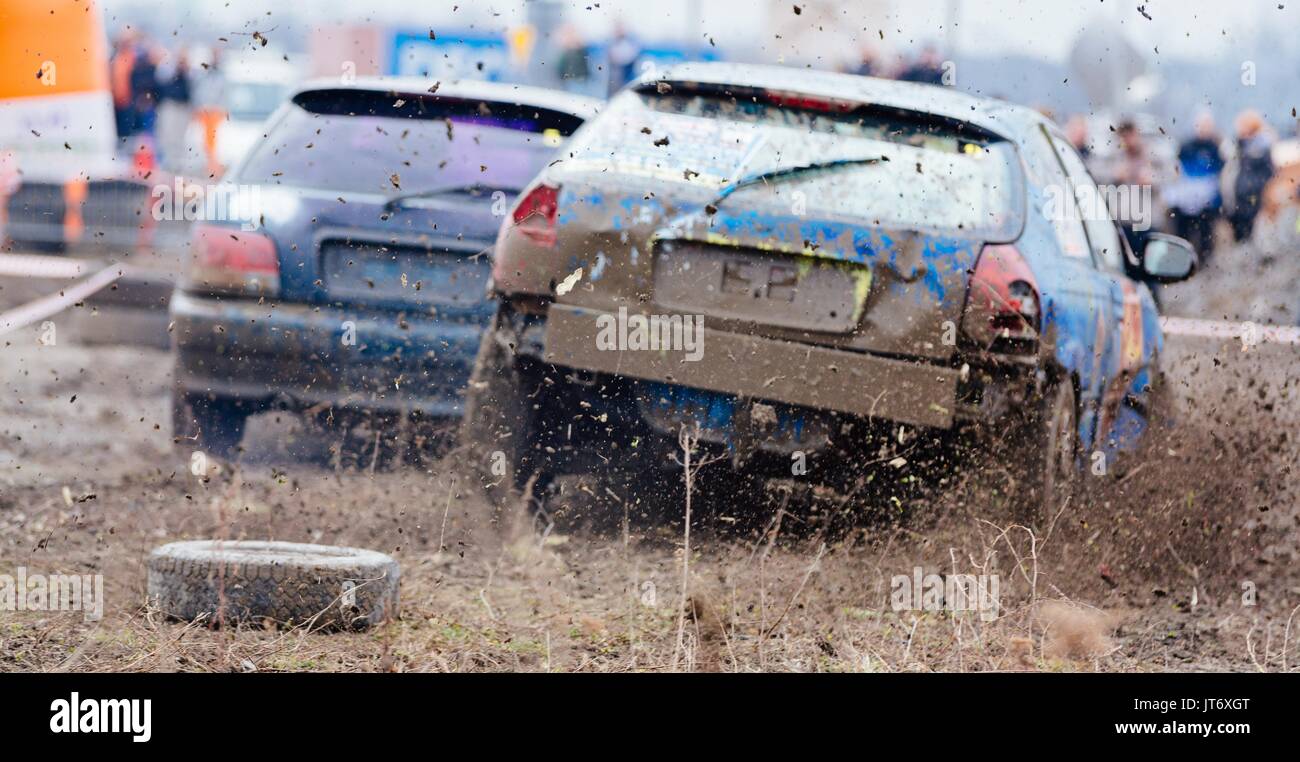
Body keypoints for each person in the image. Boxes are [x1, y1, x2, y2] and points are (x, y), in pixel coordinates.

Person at [1164, 111, 1224, 261]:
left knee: (1205, 236)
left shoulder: (1214, 148)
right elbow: (1177, 171)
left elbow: (1219, 173)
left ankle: (1204, 263)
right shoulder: (1187, 147)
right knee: (1184, 234)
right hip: (1185, 202)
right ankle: (1182, 260)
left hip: (1207, 204)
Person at [1227, 109, 1275, 242]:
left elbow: (1268, 175)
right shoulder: (1240, 148)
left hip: (1255, 201)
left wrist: (1251, 192)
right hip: (1239, 202)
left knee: (1254, 239)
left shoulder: (1260, 149)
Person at [606, 22, 641, 94]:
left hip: (627, 78)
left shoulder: (630, 43)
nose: (618, 31)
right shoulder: (612, 43)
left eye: (620, 29)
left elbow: (631, 57)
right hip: (615, 80)